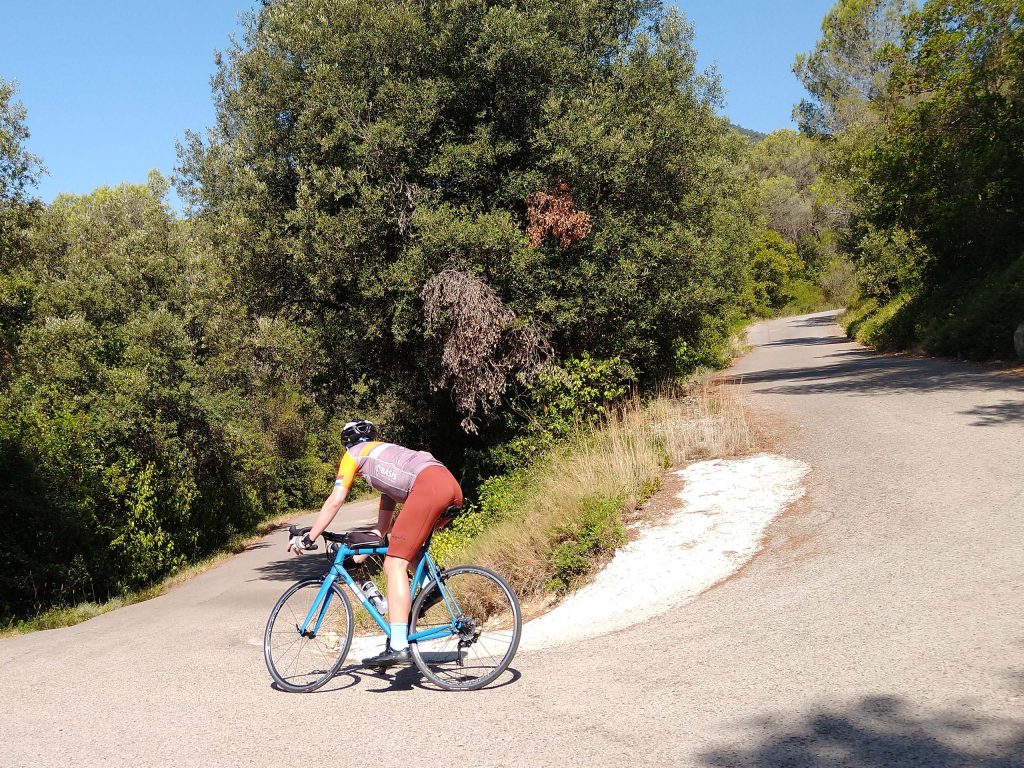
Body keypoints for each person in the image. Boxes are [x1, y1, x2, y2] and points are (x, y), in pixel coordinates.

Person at [288, 419, 462, 666]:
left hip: (429, 487)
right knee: (398, 542)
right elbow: (380, 532)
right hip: (450, 487)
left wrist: (309, 538)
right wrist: (357, 556)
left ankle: (400, 645)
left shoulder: (353, 455)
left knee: (394, 565)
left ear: (347, 443)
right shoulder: (386, 461)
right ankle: (427, 588)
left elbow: (336, 500)